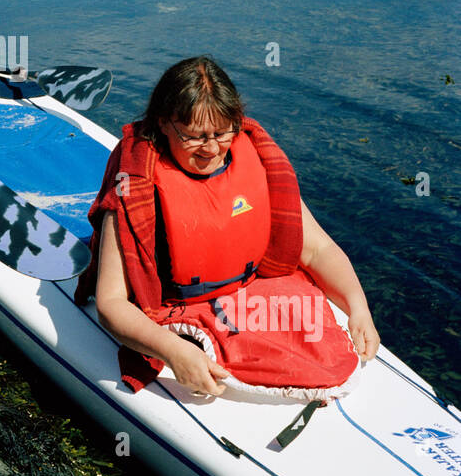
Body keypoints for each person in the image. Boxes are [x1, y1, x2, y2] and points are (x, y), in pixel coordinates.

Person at [78, 57, 380, 400]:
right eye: (194, 137)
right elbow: (111, 302)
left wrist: (357, 306)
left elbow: (317, 249)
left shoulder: (255, 157)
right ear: (163, 123)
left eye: (221, 133)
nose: (211, 149)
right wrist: (174, 352)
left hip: (251, 297)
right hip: (179, 312)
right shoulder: (136, 184)